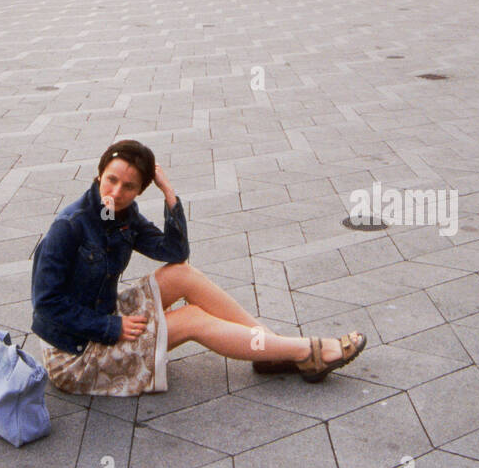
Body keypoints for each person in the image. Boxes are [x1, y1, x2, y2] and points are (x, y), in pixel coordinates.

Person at [30, 140, 366, 396]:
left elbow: (175, 252)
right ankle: (306, 351)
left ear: (140, 190)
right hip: (75, 353)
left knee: (182, 274)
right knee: (192, 319)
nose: (116, 193)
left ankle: (269, 349)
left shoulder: (123, 215)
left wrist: (170, 194)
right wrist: (110, 327)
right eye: (110, 180)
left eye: (129, 187)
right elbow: (46, 306)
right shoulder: (70, 225)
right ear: (98, 174)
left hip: (102, 318)